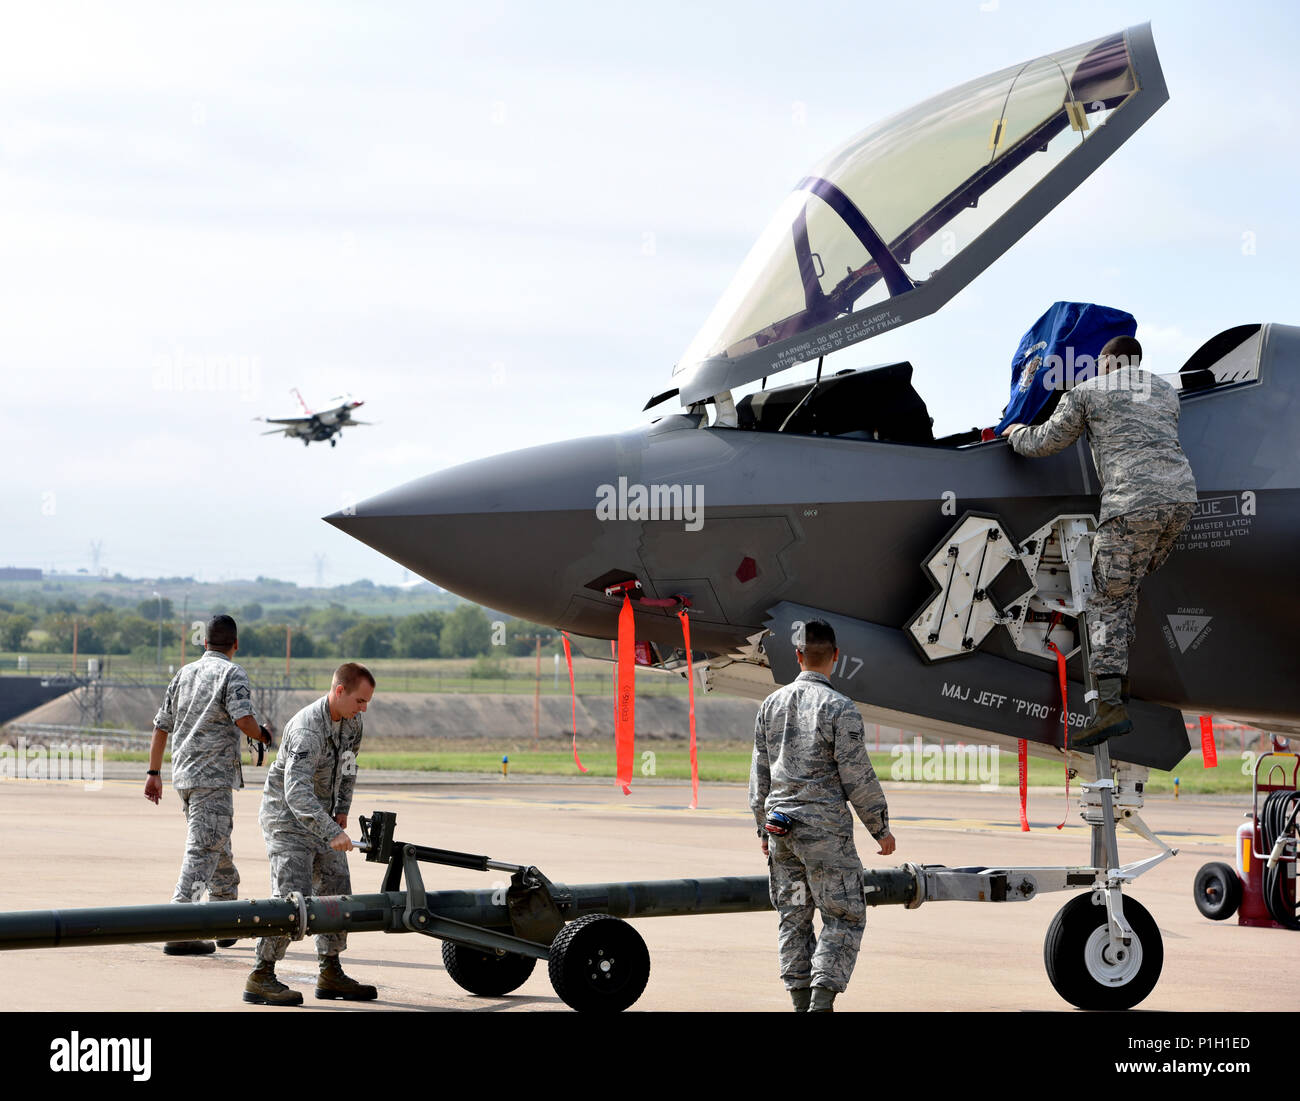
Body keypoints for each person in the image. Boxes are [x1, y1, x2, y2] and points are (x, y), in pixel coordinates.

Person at [1002, 335, 1197, 746]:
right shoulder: (1164, 390)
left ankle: (1109, 708)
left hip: (1131, 505)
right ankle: (1118, 690)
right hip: (1180, 501)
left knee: (1106, 599)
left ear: (1106, 363)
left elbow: (1046, 442)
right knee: (1123, 591)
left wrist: (1015, 431)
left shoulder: (1088, 392)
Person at [749, 619, 896, 1013]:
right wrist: (879, 827)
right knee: (843, 915)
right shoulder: (840, 708)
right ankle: (821, 1003)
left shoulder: (771, 704)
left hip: (781, 830)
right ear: (836, 657)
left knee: (793, 917)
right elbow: (856, 775)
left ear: (797, 656)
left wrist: (761, 830)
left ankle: (799, 1002)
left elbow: (760, 773)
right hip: (824, 835)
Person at [244, 662, 375, 1006]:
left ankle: (330, 971)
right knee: (292, 900)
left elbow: (348, 767)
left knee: (336, 893)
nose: (364, 709)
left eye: (367, 703)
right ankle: (261, 974)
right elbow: (296, 793)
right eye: (360, 700)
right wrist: (332, 831)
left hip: (322, 819)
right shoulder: (307, 729)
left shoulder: (352, 723)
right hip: (287, 821)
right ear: (340, 690)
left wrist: (342, 809)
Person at [145, 613, 274, 955]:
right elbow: (244, 719)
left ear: (205, 643)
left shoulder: (184, 673)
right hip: (212, 777)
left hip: (184, 777)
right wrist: (263, 734)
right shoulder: (232, 673)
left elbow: (161, 726)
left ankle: (225, 913)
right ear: (235, 644)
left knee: (216, 846)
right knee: (203, 851)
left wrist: (153, 773)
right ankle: (179, 926)